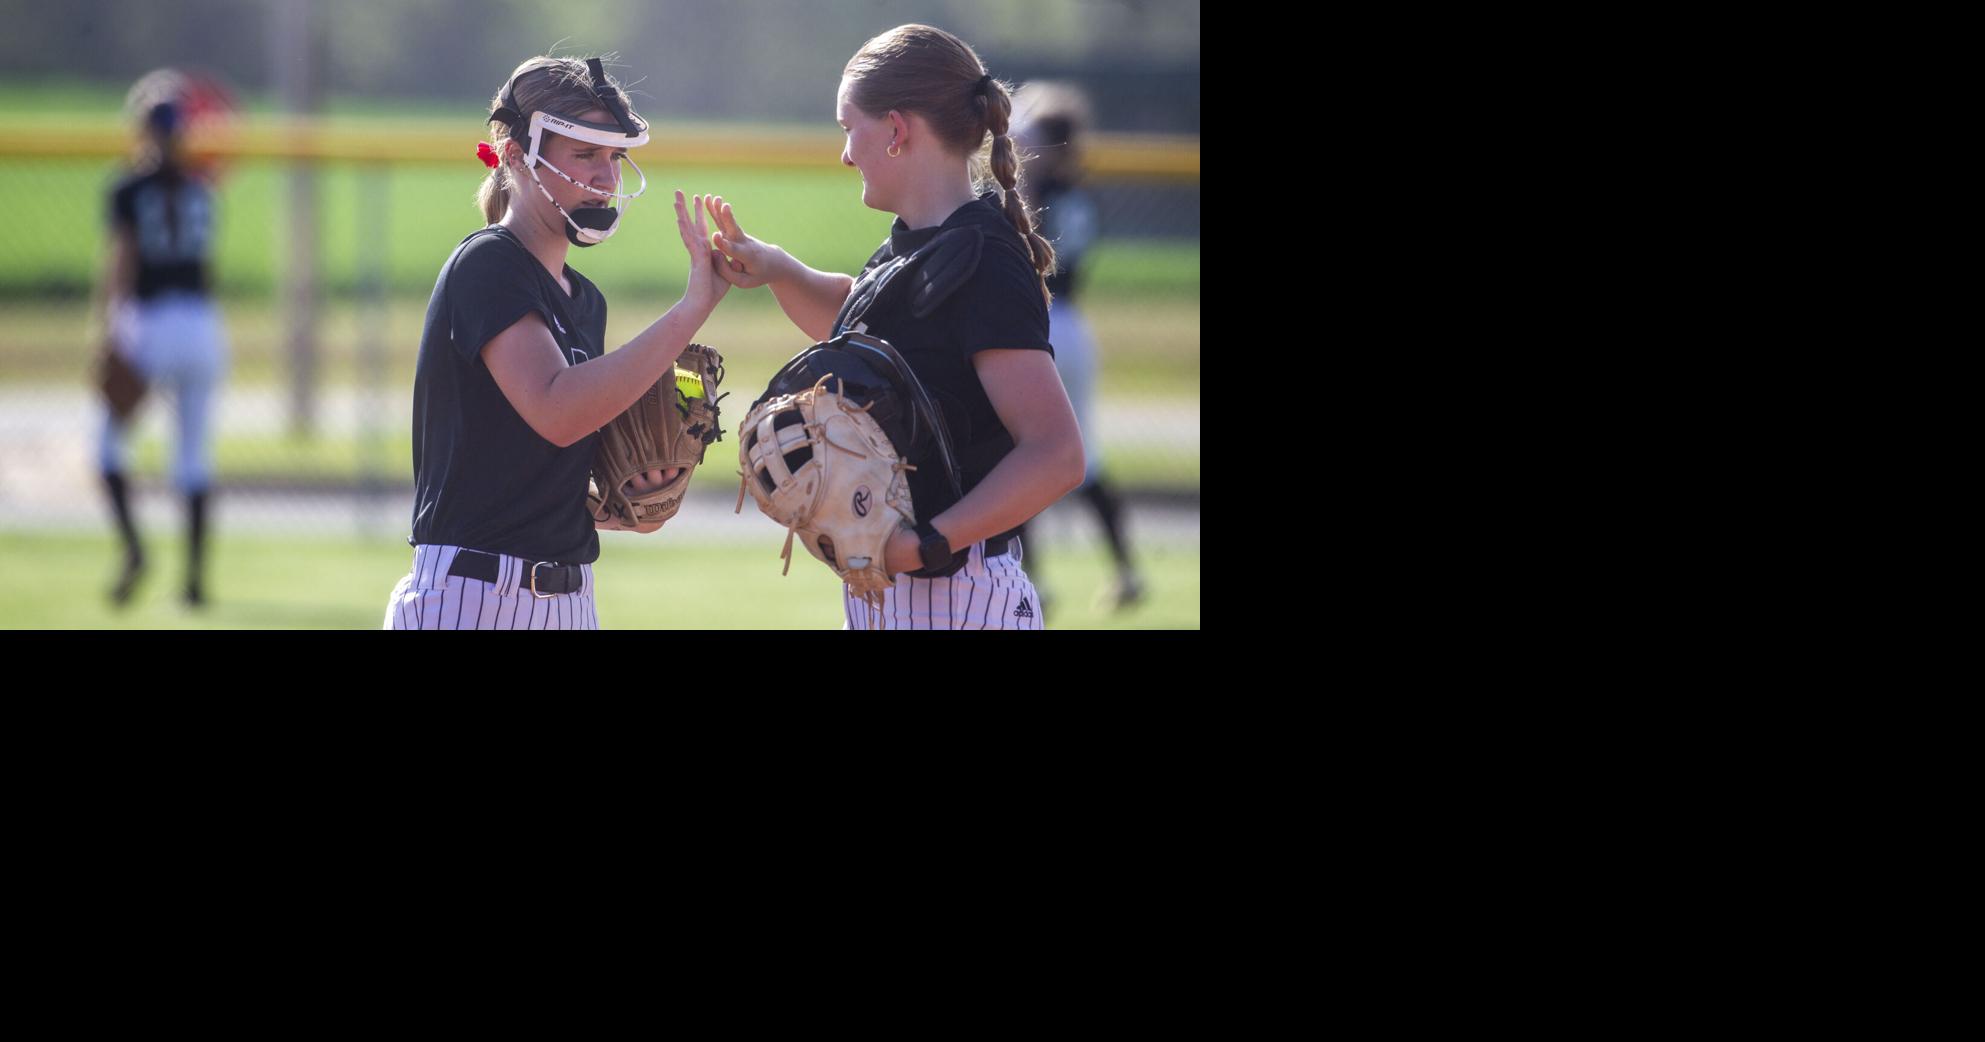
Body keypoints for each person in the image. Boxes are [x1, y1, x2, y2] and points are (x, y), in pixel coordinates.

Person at [706, 23, 1086, 630]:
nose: (845, 151)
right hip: (911, 594)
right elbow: (871, 339)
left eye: (847, 127)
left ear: (895, 129)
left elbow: (1057, 453)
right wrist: (779, 269)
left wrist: (928, 542)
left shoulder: (983, 257)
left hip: (957, 592)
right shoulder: (915, 247)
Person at [382, 55, 728, 630]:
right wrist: (692, 310)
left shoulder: (584, 299)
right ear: (516, 155)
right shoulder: (488, 262)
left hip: (569, 599)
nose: (607, 176)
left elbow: (534, 460)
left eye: (614, 156)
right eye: (585, 154)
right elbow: (556, 409)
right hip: (472, 597)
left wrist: (615, 496)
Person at [1008, 81, 1146, 612]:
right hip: (1072, 327)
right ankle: (1127, 571)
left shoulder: (1039, 194)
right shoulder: (1081, 191)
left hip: (1043, 325)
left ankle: (1034, 580)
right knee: (1083, 455)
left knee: (1021, 454)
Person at [96, 71, 228, 608]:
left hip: (148, 321)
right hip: (201, 324)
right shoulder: (201, 184)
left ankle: (133, 550)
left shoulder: (129, 186)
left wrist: (107, 326)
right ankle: (195, 584)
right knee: (194, 457)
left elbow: (123, 261)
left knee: (107, 446)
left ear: (145, 128)